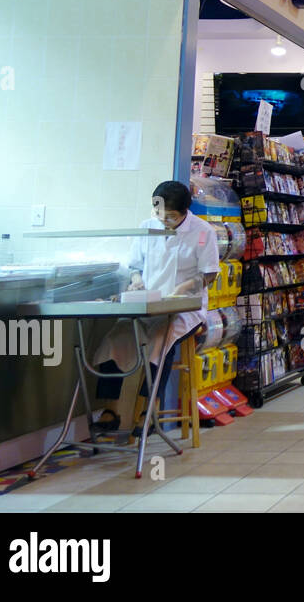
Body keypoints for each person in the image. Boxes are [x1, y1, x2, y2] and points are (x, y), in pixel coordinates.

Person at [92, 181, 219, 433]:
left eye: (171, 217)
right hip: (148, 305)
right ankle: (110, 410)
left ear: (185, 211)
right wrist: (137, 280)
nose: (164, 221)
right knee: (115, 339)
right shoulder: (146, 228)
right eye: (159, 214)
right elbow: (135, 265)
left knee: (161, 341)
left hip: (185, 309)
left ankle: (149, 411)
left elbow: (209, 274)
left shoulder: (203, 232)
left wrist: (183, 289)